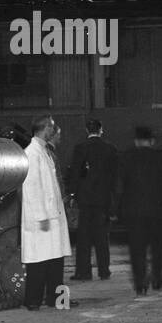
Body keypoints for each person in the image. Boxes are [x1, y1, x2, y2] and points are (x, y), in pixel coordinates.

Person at [20, 114, 71, 311]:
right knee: (38, 263)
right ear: (44, 129)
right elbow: (31, 188)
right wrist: (41, 217)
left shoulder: (44, 151)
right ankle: (32, 301)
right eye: (52, 126)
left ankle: (57, 299)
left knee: (56, 261)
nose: (55, 129)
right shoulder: (32, 154)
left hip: (53, 217)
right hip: (41, 218)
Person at [116, 126, 162, 295]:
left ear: (136, 140)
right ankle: (157, 280)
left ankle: (140, 284)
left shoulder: (126, 158)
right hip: (157, 211)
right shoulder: (161, 158)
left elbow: (119, 187)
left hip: (134, 212)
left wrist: (117, 209)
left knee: (137, 250)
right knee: (158, 248)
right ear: (151, 141)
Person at [67, 118, 118, 281]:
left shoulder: (80, 148)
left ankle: (84, 272)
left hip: (85, 199)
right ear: (101, 130)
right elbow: (114, 176)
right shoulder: (110, 149)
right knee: (102, 237)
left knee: (84, 238)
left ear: (86, 130)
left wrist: (73, 194)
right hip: (103, 199)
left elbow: (75, 173)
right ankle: (104, 271)